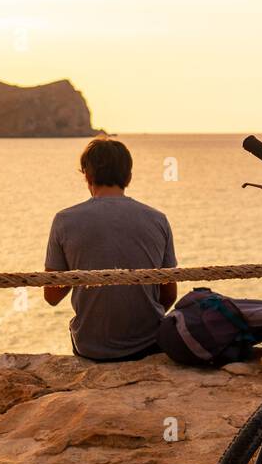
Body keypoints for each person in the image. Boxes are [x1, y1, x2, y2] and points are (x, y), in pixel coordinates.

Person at [43, 138, 178, 361]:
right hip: (148, 344)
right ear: (128, 177)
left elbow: (52, 296)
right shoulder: (158, 219)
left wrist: (81, 263)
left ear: (87, 175)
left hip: (91, 348)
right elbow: (169, 294)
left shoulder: (64, 220)